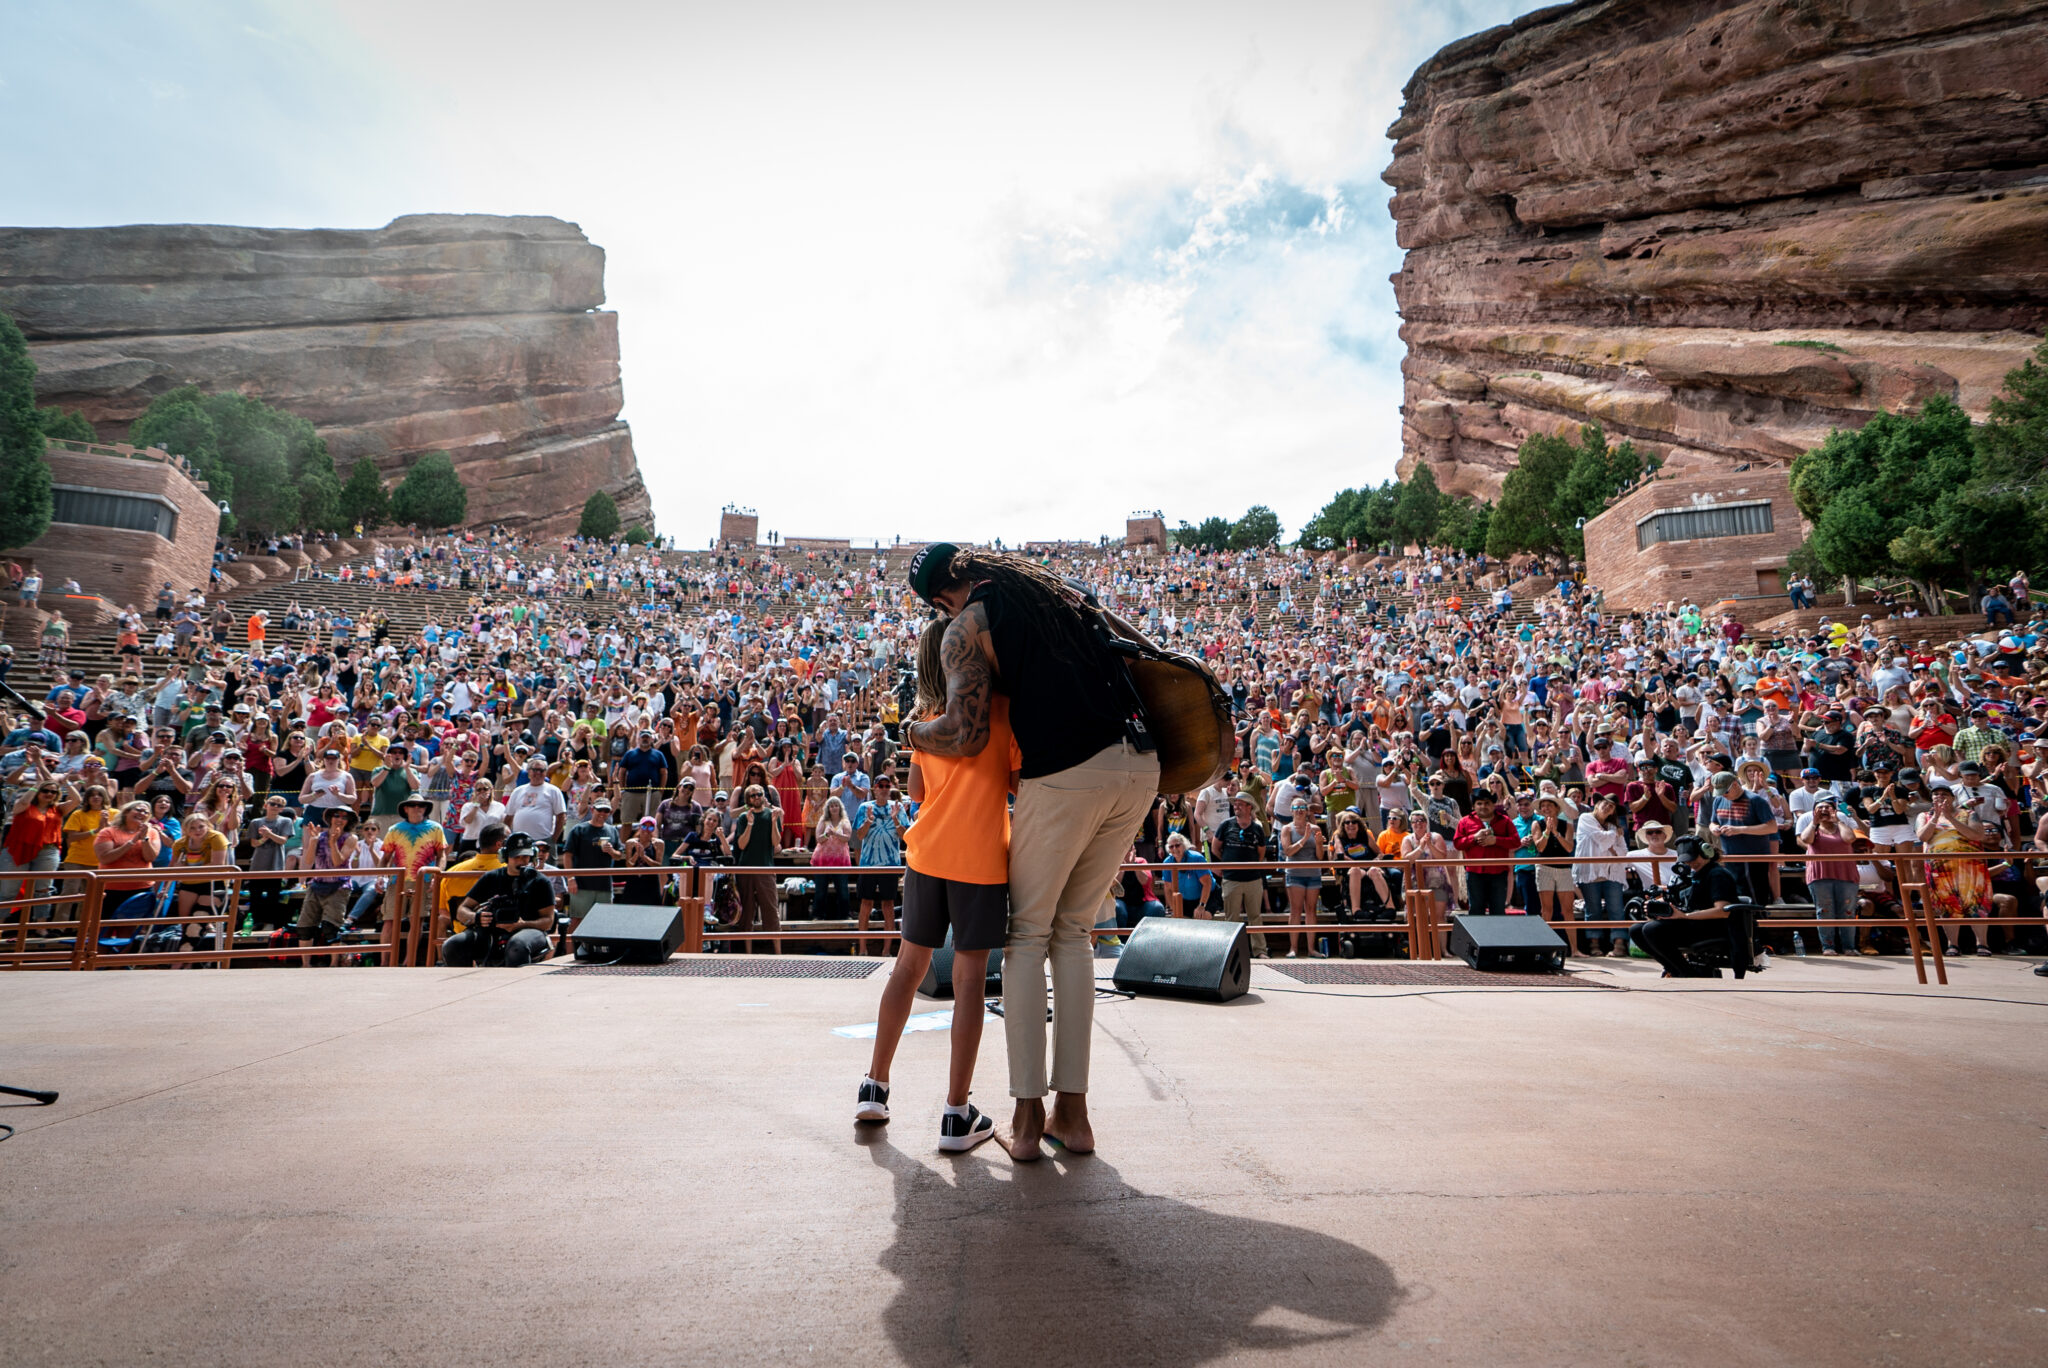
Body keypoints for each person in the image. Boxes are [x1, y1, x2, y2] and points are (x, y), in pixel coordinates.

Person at [907, 543, 1160, 1161]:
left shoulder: (966, 624)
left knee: (1027, 934)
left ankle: (1026, 1121)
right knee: (1072, 933)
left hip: (1068, 768)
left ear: (943, 597)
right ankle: (1074, 1116)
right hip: (1139, 764)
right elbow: (1143, 649)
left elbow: (965, 734)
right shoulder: (1056, 593)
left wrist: (910, 732)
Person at [855, 618, 1017, 1153]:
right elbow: (1017, 783)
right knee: (969, 983)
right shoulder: (1001, 712)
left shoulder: (925, 721)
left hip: (926, 856)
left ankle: (874, 1087)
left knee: (907, 969)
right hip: (980, 861)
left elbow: (918, 792)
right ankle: (955, 1113)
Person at [1628, 835, 1745, 978]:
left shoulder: (1717, 874)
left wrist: (1685, 916)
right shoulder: (1693, 876)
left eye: (1693, 858)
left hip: (1712, 927)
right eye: (1686, 860)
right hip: (1693, 924)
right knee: (1636, 930)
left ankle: (1687, 973)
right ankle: (1676, 969)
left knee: (1652, 929)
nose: (1690, 863)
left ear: (1706, 853)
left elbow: (1722, 911)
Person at [443, 833, 557, 967]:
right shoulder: (491, 877)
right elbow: (462, 910)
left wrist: (521, 924)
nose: (521, 861)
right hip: (490, 931)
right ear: (505, 856)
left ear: (532, 856)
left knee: (517, 946)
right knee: (452, 945)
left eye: (525, 856)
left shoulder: (541, 882)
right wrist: (477, 918)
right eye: (516, 857)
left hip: (528, 930)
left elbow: (548, 921)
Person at [725, 782, 784, 951]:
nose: (757, 797)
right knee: (747, 912)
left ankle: (778, 953)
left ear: (764, 796)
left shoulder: (771, 814)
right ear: (748, 799)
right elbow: (741, 845)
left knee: (771, 910)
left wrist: (774, 821)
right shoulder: (744, 817)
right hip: (746, 869)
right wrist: (750, 824)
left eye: (759, 794)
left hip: (766, 867)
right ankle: (748, 953)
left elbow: (776, 843)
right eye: (753, 795)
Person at [1573, 792, 1631, 957]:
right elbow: (1599, 838)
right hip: (1590, 871)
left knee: (1616, 908)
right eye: (1605, 803)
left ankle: (1619, 944)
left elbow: (1623, 851)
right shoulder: (1585, 818)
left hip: (1612, 872)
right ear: (1597, 804)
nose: (1607, 807)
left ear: (1613, 811)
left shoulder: (1613, 826)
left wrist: (1611, 845)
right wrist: (1613, 841)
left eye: (1611, 806)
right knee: (1593, 909)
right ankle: (1594, 944)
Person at [1212, 794, 1270, 955]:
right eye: (1235, 804)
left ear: (1249, 807)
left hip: (1253, 879)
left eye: (1240, 804)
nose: (1236, 806)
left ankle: (1260, 951)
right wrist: (1226, 862)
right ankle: (1232, 952)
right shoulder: (1226, 825)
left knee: (1255, 916)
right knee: (1231, 917)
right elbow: (1215, 848)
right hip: (1231, 878)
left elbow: (1261, 853)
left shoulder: (1257, 828)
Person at [1451, 788, 1515, 918]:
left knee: (1498, 910)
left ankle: (1498, 932)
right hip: (1474, 873)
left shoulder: (1505, 821)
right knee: (1476, 910)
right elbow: (1457, 844)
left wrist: (1496, 840)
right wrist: (1474, 837)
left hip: (1498, 873)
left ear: (1493, 804)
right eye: (1479, 803)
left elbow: (1515, 842)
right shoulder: (1464, 821)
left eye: (1487, 803)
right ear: (1474, 806)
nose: (1483, 806)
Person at [1277, 798, 1324, 957]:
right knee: (1295, 910)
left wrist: (1319, 844)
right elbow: (1288, 851)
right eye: (1296, 807)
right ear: (1291, 810)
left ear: (1307, 810)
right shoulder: (1287, 829)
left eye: (1303, 807)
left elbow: (1320, 856)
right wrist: (1304, 839)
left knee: (1311, 910)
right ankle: (1293, 948)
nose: (1299, 810)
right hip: (1295, 874)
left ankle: (1311, 949)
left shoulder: (1316, 828)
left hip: (1313, 873)